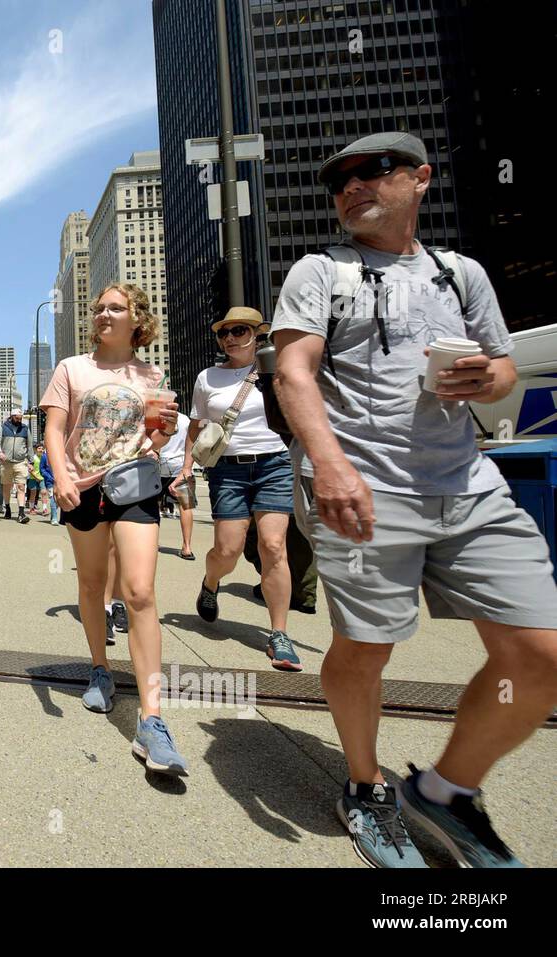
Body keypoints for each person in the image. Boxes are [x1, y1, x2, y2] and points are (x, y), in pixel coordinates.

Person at [272, 130, 557, 868]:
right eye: (340, 181)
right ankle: (367, 787)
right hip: (362, 487)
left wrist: (486, 381)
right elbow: (293, 374)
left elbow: (502, 370)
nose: (353, 187)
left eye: (374, 171)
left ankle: (447, 789)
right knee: (367, 648)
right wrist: (330, 466)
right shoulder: (319, 271)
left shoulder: (461, 275)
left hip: (468, 484)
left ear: (421, 179)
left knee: (541, 654)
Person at [42, 281, 187, 775]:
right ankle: (100, 670)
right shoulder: (71, 368)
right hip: (83, 488)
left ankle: (153, 718)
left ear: (136, 318)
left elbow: (156, 434)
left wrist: (163, 429)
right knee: (89, 584)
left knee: (140, 591)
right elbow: (55, 429)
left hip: (136, 484)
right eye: (99, 308)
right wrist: (60, 477)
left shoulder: (151, 373)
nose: (104, 314)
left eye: (115, 308)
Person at [171, 307, 302, 672]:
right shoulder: (208, 377)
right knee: (226, 549)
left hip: (274, 463)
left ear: (257, 333)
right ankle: (211, 582)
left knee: (273, 545)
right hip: (227, 469)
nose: (230, 338)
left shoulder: (278, 365)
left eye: (239, 330)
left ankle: (279, 634)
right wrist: (186, 467)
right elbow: (196, 427)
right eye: (224, 333)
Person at [158, 409, 196, 558]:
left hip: (159, 464)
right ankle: (187, 546)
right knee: (186, 505)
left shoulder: (157, 418)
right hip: (180, 465)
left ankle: (152, 542)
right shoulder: (185, 419)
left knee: (152, 504)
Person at [0, 410, 33, 522]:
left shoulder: (25, 428)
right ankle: (7, 508)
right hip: (6, 462)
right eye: (17, 418)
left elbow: (30, 445)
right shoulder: (3, 427)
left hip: (20, 462)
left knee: (21, 487)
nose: (19, 420)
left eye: (20, 418)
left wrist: (31, 462)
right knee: (7, 487)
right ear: (12, 417)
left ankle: (21, 513)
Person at [37, 442, 59, 524]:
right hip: (50, 481)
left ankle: (53, 515)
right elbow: (42, 470)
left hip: (59, 481)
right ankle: (55, 518)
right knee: (53, 498)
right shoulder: (44, 456)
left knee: (58, 500)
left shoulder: (59, 455)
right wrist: (49, 477)